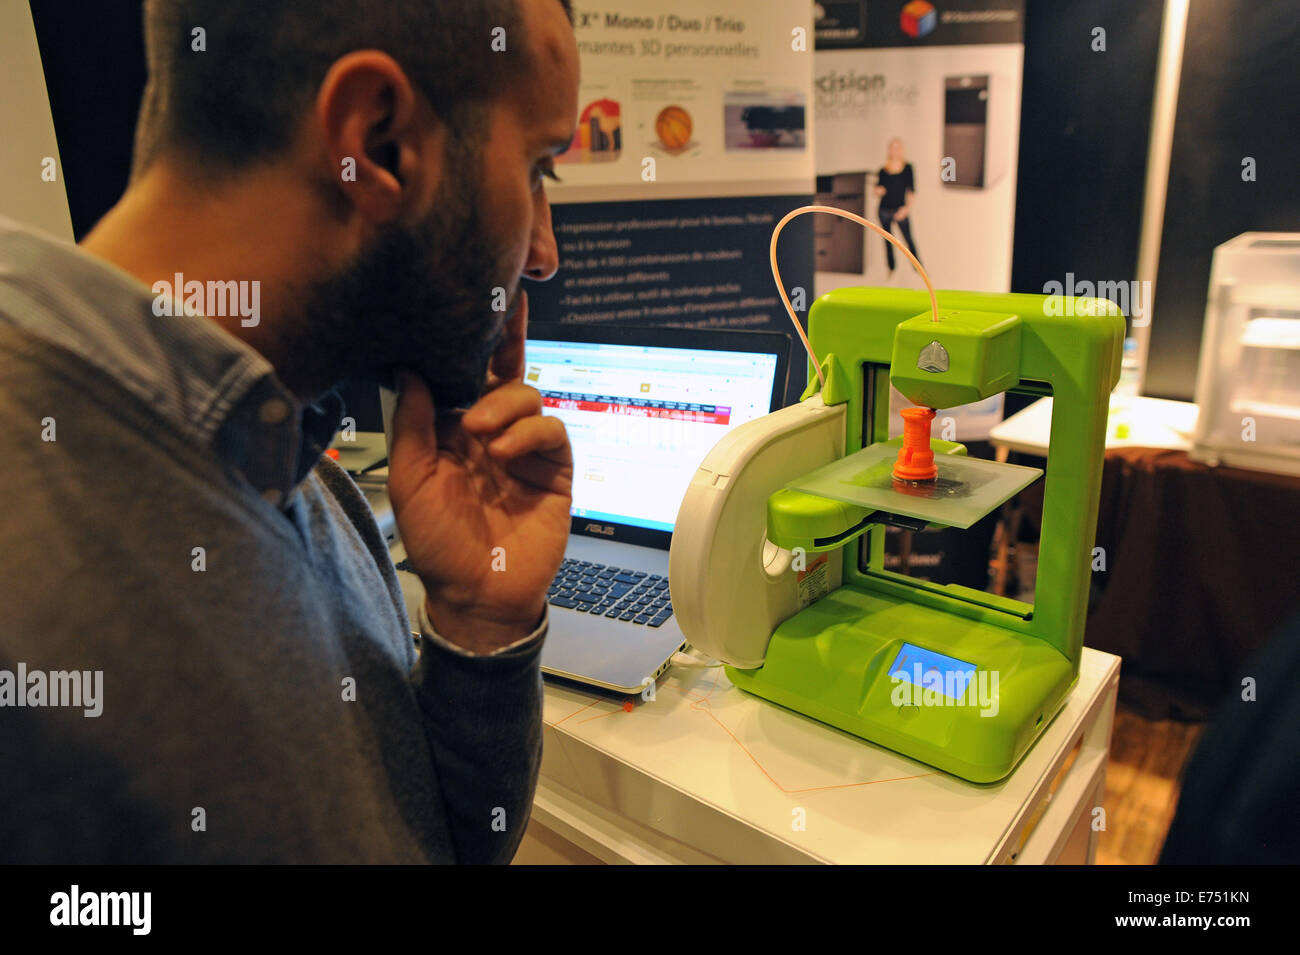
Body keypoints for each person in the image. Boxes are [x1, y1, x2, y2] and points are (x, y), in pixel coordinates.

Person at [0, 0, 579, 863]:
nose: (544, 250)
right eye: (536, 167)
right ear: (375, 142)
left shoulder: (301, 466)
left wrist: (479, 629)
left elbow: (429, 844)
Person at [873, 137, 921, 274]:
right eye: (893, 148)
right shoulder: (883, 170)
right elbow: (878, 188)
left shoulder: (908, 168)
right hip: (884, 210)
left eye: (898, 147)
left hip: (900, 209)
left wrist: (906, 209)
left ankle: (918, 269)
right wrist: (878, 191)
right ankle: (891, 269)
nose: (895, 151)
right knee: (888, 241)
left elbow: (912, 190)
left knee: (909, 240)